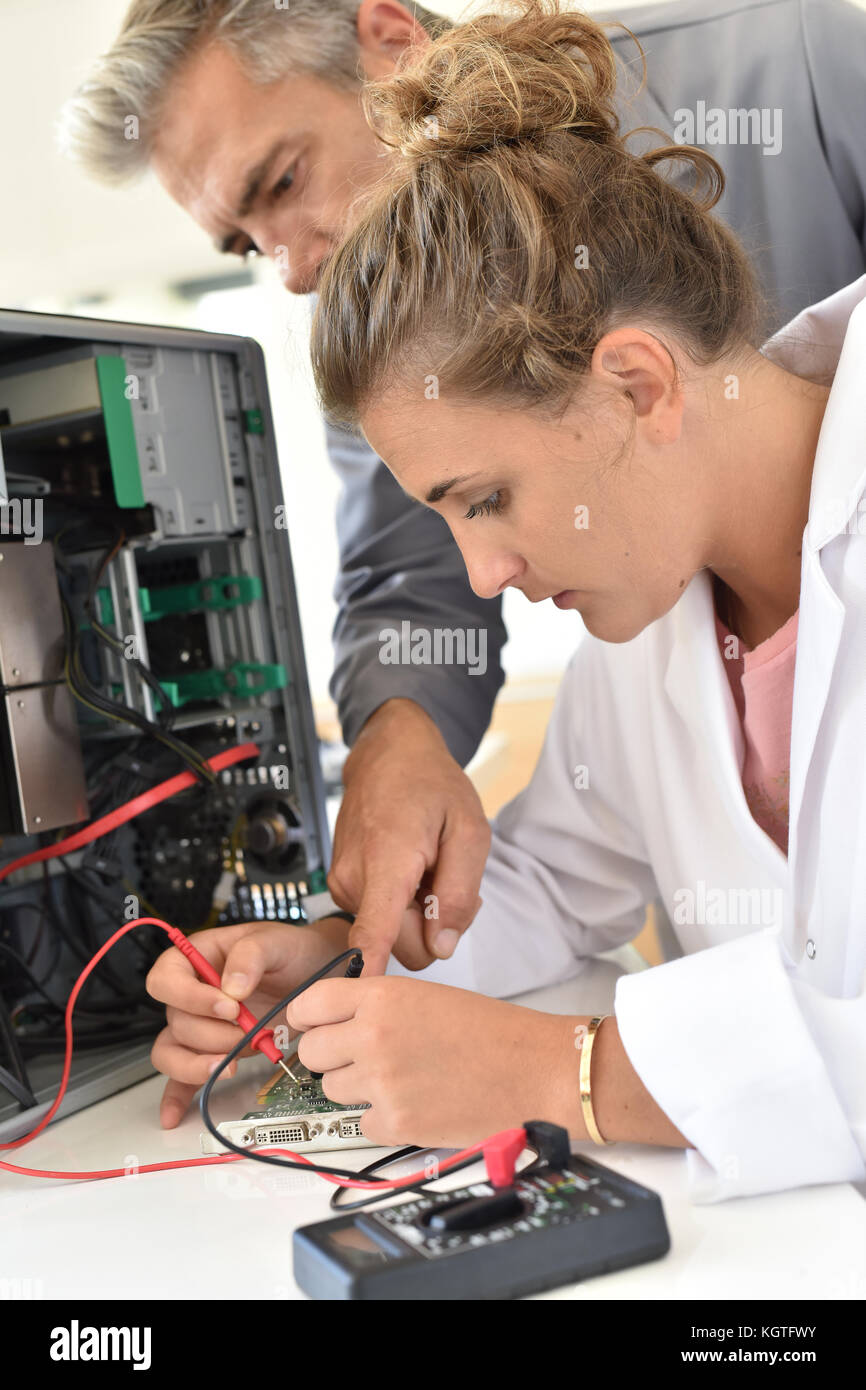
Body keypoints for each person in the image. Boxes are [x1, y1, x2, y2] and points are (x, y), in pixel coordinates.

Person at [154, 0, 866, 1202]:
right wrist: (336, 971)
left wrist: (559, 1070)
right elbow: (541, 882)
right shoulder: (639, 638)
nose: (480, 580)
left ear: (635, 384)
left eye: (483, 498)